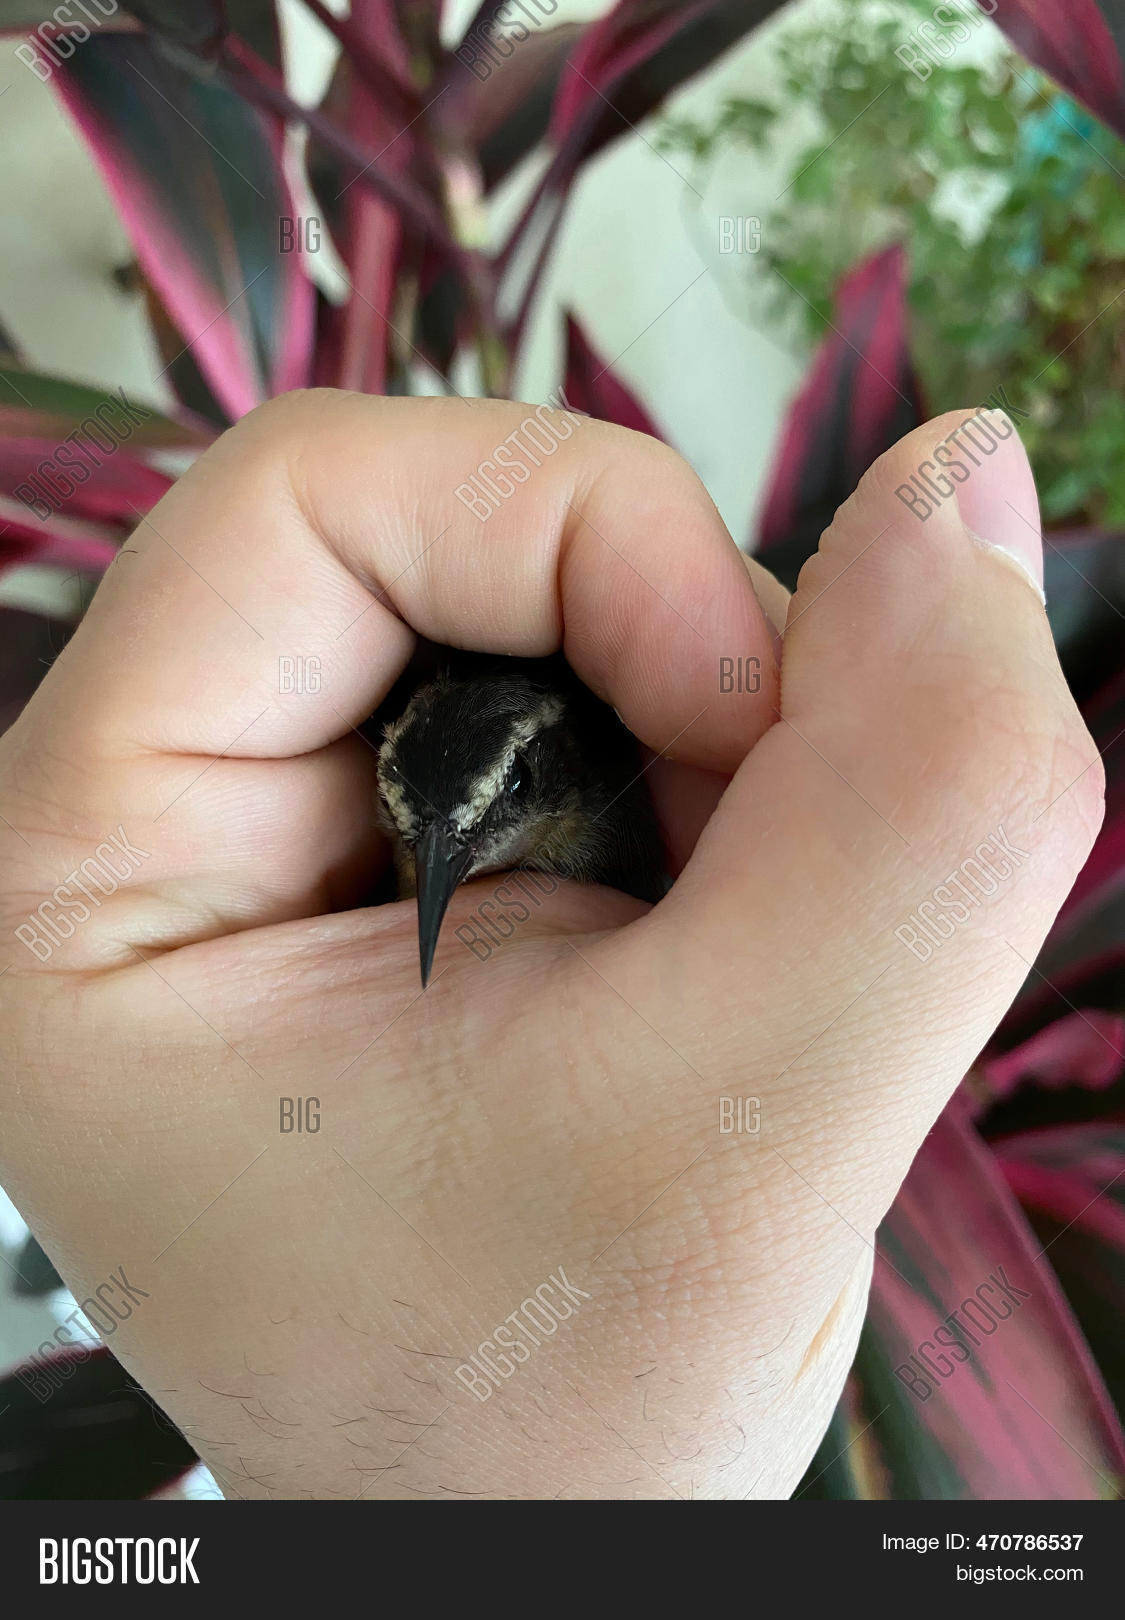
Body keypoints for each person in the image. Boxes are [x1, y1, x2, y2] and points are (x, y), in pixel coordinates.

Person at [0, 392, 1100, 1500]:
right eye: (413, 830)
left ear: (557, 768)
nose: (445, 858)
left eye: (510, 791)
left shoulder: (611, 815)